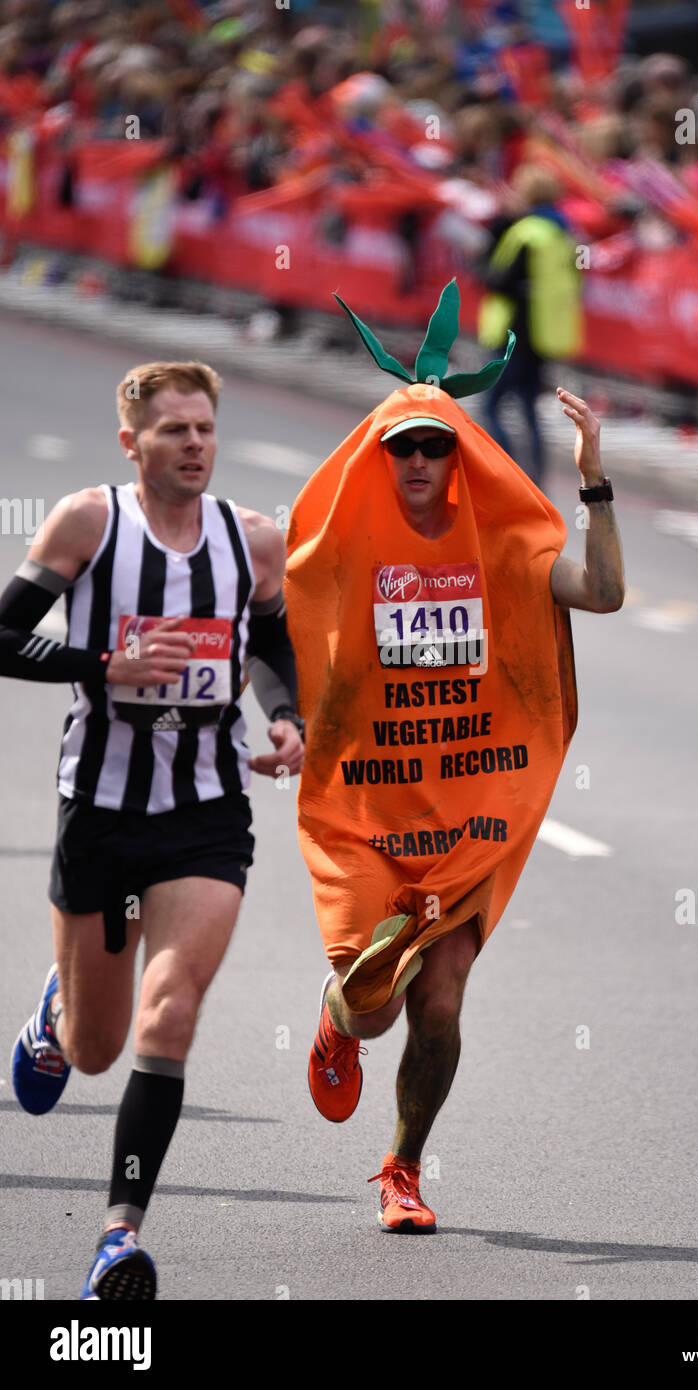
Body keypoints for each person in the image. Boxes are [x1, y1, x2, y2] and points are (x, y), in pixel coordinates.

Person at [285, 280, 623, 1232]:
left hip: (471, 821)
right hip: (364, 817)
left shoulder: (509, 552)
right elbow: (268, 613)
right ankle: (337, 1015)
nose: (422, 460)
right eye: (404, 447)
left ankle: (401, 1168)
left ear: (463, 456)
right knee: (376, 1009)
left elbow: (600, 592)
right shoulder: (337, 551)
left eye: (439, 445)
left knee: (437, 1000)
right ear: (378, 459)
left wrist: (592, 477)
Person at [4, 361, 304, 1299]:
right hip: (99, 810)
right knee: (96, 1047)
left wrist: (289, 718)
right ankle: (57, 1015)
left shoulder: (252, 541)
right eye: (173, 431)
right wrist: (103, 664)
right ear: (132, 443)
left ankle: (116, 1240)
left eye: (205, 429)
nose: (194, 446)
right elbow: (3, 636)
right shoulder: (88, 523)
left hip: (208, 815)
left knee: (169, 1012)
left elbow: (273, 643)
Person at [477, 165, 583, 489]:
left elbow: (499, 281)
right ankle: (536, 479)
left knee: (490, 405)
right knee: (527, 408)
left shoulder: (525, 233)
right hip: (543, 335)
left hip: (514, 333)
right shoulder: (562, 234)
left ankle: (508, 472)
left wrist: (484, 252)